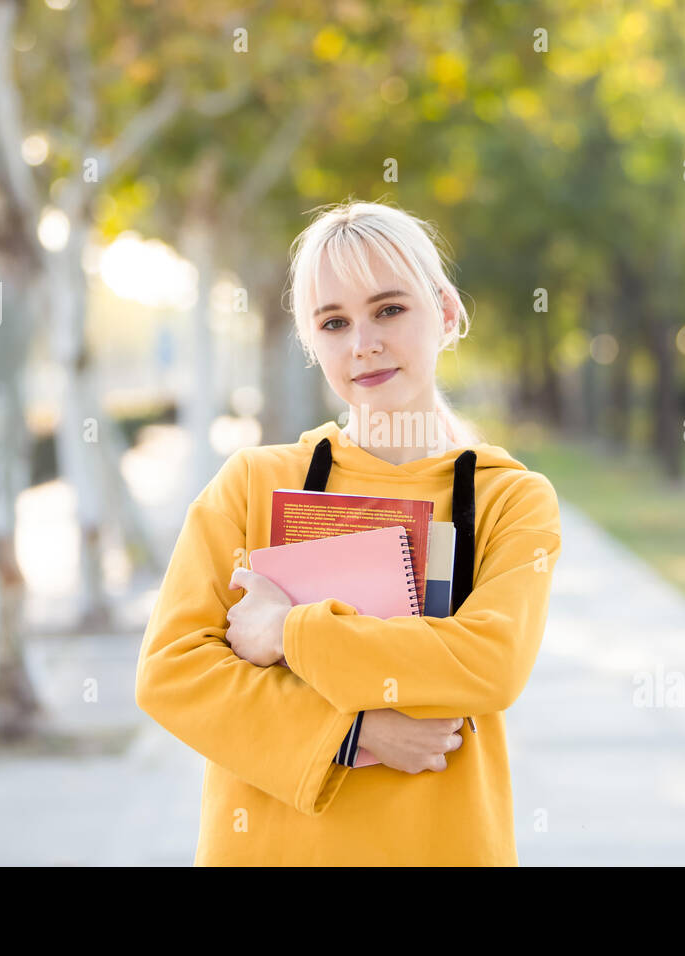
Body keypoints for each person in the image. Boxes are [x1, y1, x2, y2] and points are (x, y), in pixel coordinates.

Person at [135, 198, 562, 865]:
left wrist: (286, 630)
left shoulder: (510, 500)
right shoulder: (251, 485)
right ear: (311, 342)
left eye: (389, 309)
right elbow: (173, 671)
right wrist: (352, 735)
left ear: (446, 313)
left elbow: (489, 664)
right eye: (333, 322)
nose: (363, 343)